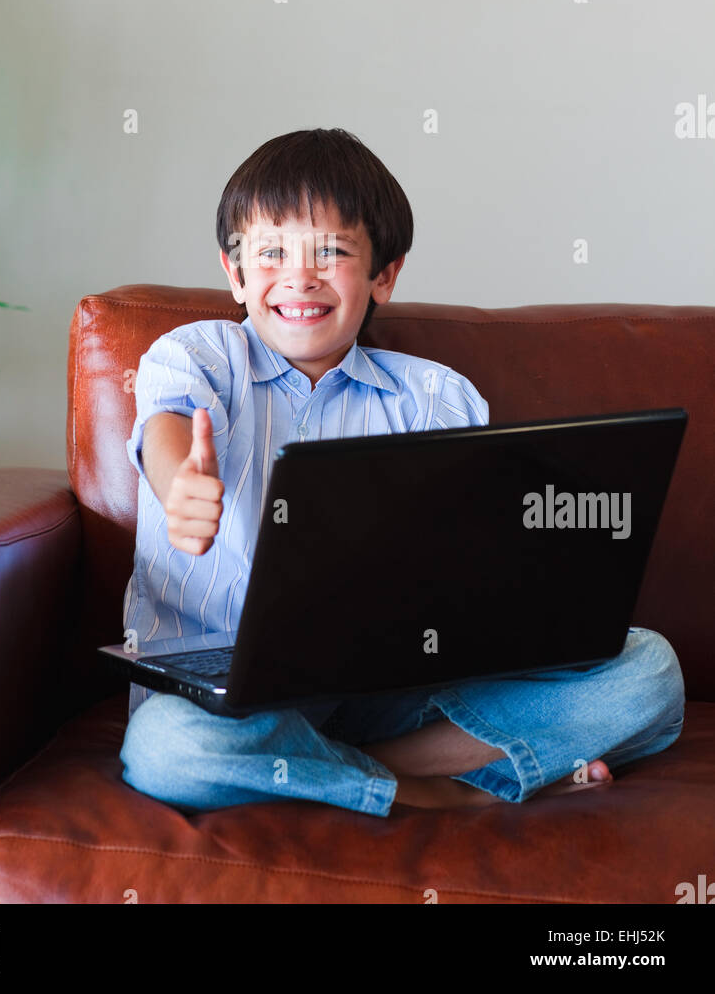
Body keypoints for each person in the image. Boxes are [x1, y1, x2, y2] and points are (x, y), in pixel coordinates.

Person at [119, 127, 684, 814]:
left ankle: (357, 771)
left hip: (384, 694)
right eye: (270, 253)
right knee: (167, 751)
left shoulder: (435, 397)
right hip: (223, 705)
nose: (299, 276)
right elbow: (165, 428)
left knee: (649, 671)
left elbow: (468, 564)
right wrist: (180, 483)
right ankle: (427, 791)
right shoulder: (201, 354)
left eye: (332, 252)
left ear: (384, 275)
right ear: (235, 273)